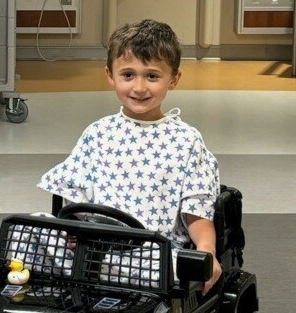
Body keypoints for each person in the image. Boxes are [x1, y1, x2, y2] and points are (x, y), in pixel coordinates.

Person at [37, 19, 222, 295]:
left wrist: (207, 252)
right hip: (92, 250)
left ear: (173, 79)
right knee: (29, 231)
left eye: (152, 76)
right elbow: (75, 201)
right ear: (110, 75)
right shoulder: (98, 133)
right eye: (128, 75)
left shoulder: (186, 141)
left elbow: (197, 212)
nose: (139, 87)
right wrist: (73, 231)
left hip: (152, 257)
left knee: (172, 269)